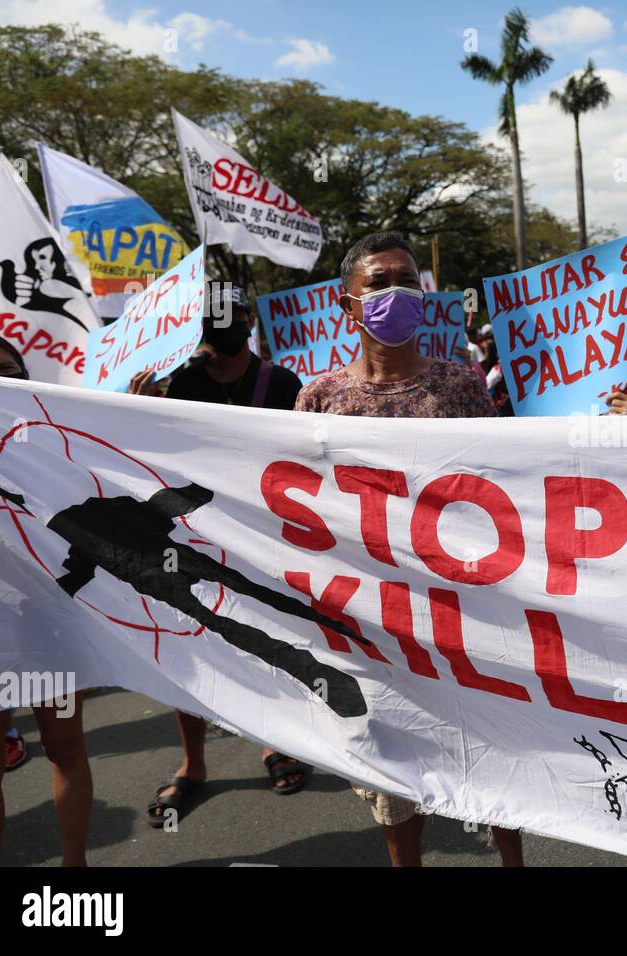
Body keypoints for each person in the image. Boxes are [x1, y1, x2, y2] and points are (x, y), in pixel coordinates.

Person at [295, 230, 524, 867]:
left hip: (462, 611)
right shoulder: (319, 401)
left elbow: (504, 490)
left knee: (487, 753)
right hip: (373, 617)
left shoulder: (462, 387)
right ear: (347, 304)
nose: (395, 293)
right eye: (379, 283)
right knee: (395, 773)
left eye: (406, 281)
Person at [130, 286, 314, 826]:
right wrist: (139, 408)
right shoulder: (182, 382)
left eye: (232, 317)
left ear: (247, 322)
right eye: (213, 319)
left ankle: (270, 740)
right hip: (189, 533)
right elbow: (150, 452)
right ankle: (194, 764)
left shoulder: (279, 382)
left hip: (260, 534)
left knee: (259, 636)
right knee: (188, 641)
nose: (223, 327)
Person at [0, 332, 94, 866]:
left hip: (51, 621)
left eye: (10, 371)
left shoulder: (56, 443)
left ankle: (75, 868)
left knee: (65, 748)